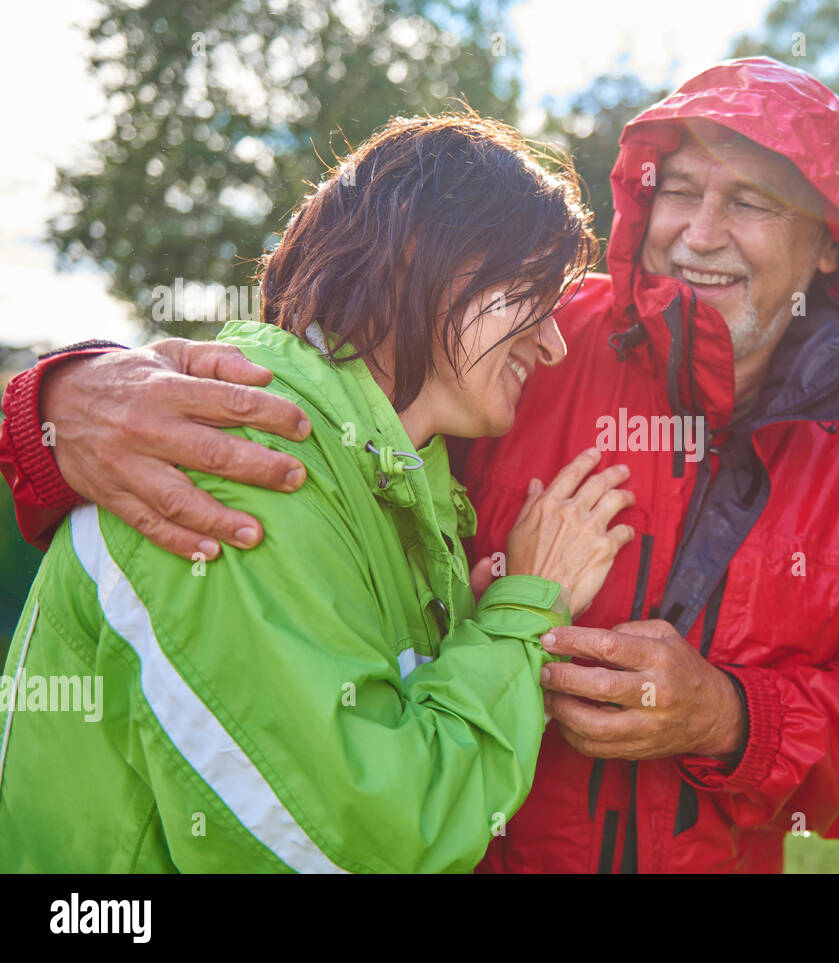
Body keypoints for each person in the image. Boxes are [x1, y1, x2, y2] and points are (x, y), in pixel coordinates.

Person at [0, 58, 839, 873]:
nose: (697, 232)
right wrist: (50, 406)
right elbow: (323, 391)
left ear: (829, 244)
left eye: (748, 202)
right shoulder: (535, 338)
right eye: (678, 190)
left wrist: (731, 718)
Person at [0, 112, 638, 872]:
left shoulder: (387, 481)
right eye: (532, 289)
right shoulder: (242, 460)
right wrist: (525, 610)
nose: (555, 341)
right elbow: (366, 843)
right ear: (415, 255)